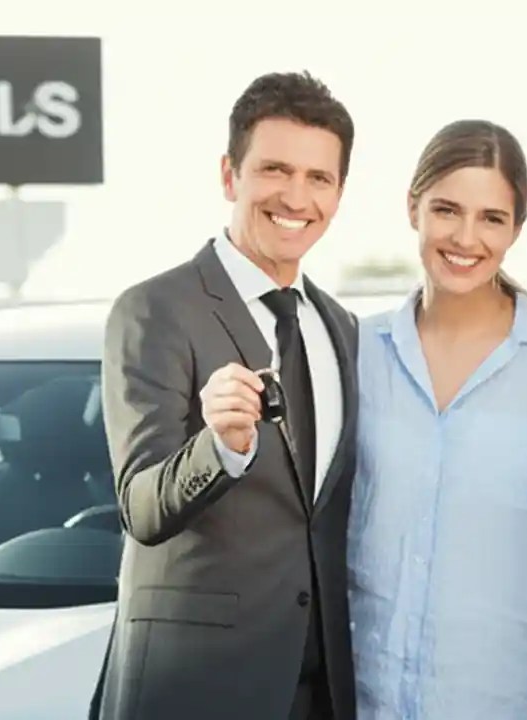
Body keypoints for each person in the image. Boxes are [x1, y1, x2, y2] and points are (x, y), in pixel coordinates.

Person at [90, 71, 359, 720]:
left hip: (320, 692)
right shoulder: (155, 310)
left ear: (340, 192)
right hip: (197, 692)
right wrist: (220, 449)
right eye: (274, 169)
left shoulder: (341, 328)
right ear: (229, 175)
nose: (296, 196)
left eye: (318, 178)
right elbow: (142, 509)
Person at [347, 119, 527, 719]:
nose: (465, 237)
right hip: (364, 702)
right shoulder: (354, 352)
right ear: (413, 209)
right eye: (447, 210)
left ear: (517, 229)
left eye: (492, 218)